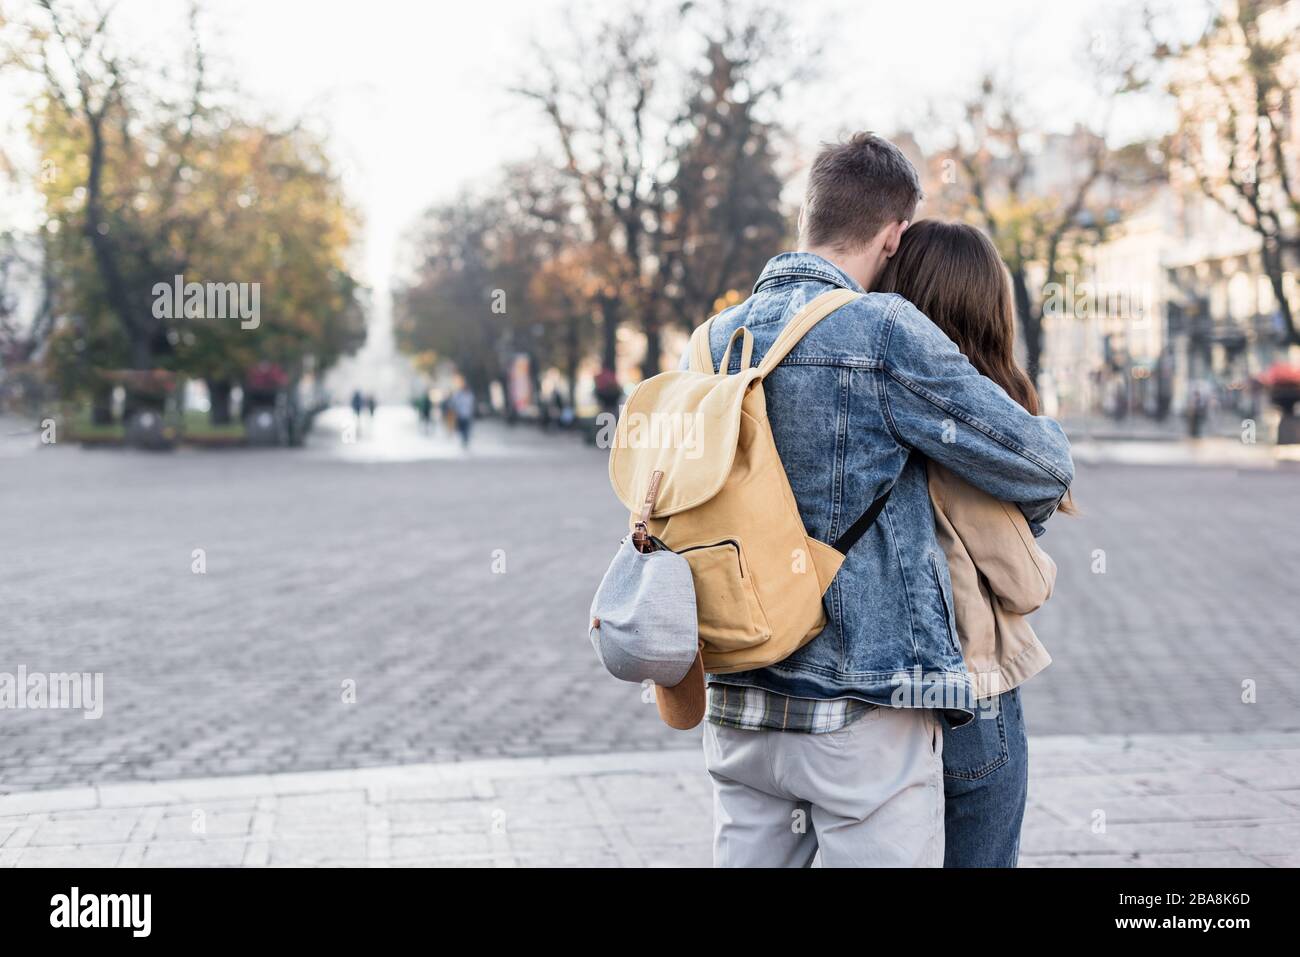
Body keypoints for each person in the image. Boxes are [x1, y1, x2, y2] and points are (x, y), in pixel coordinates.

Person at [692, 133, 1074, 867]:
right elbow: (1041, 466)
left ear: (808, 214)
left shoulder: (711, 341)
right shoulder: (883, 330)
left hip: (740, 700)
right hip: (860, 705)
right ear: (895, 234)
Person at [875, 219, 1073, 867]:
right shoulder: (968, 438)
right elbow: (1025, 582)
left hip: (870, 698)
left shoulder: (863, 417)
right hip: (969, 700)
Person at [450, 384, 475, 449]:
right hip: (460, 415)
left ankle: (465, 439)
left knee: (467, 429)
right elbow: (454, 403)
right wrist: (456, 411)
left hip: (467, 415)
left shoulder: (470, 395)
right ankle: (464, 438)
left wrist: (472, 412)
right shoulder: (459, 395)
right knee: (461, 428)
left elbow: (472, 405)